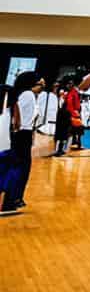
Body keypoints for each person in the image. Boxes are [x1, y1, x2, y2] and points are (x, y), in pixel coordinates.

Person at [2, 72, 43, 214]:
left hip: (18, 133)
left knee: (16, 166)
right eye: (38, 82)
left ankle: (13, 198)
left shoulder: (20, 94)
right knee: (21, 167)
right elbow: (20, 115)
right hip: (22, 133)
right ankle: (13, 198)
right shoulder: (28, 95)